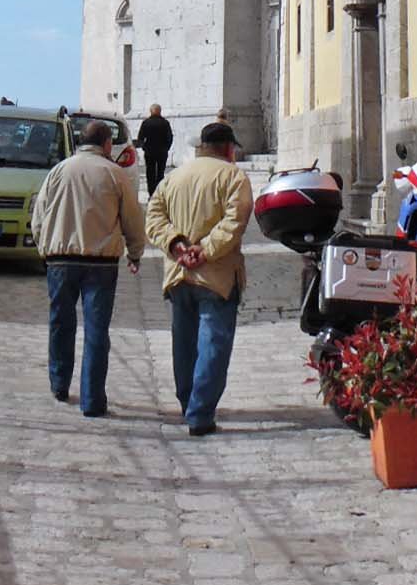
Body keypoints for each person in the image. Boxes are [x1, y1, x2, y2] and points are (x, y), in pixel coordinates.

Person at [144, 120, 253, 436]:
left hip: (178, 272)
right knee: (213, 344)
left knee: (184, 343)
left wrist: (177, 246)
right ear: (229, 149)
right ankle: (200, 412)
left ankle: (187, 402)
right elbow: (235, 222)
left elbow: (154, 217)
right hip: (215, 275)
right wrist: (203, 251)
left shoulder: (173, 178)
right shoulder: (234, 177)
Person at [31, 118, 144, 418]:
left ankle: (59, 383)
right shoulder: (114, 174)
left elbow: (38, 215)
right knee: (96, 331)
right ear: (107, 144)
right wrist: (135, 253)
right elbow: (133, 217)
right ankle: (92, 400)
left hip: (61, 259)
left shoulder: (59, 171)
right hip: (100, 263)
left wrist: (45, 248)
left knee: (60, 323)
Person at [135, 103, 174, 195]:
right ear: (160, 111)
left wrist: (144, 147)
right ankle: (160, 192)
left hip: (149, 151)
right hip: (162, 151)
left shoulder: (146, 123)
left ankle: (151, 193)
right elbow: (170, 137)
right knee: (160, 172)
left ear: (150, 111)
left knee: (150, 172)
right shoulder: (165, 123)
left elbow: (140, 138)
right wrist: (166, 148)